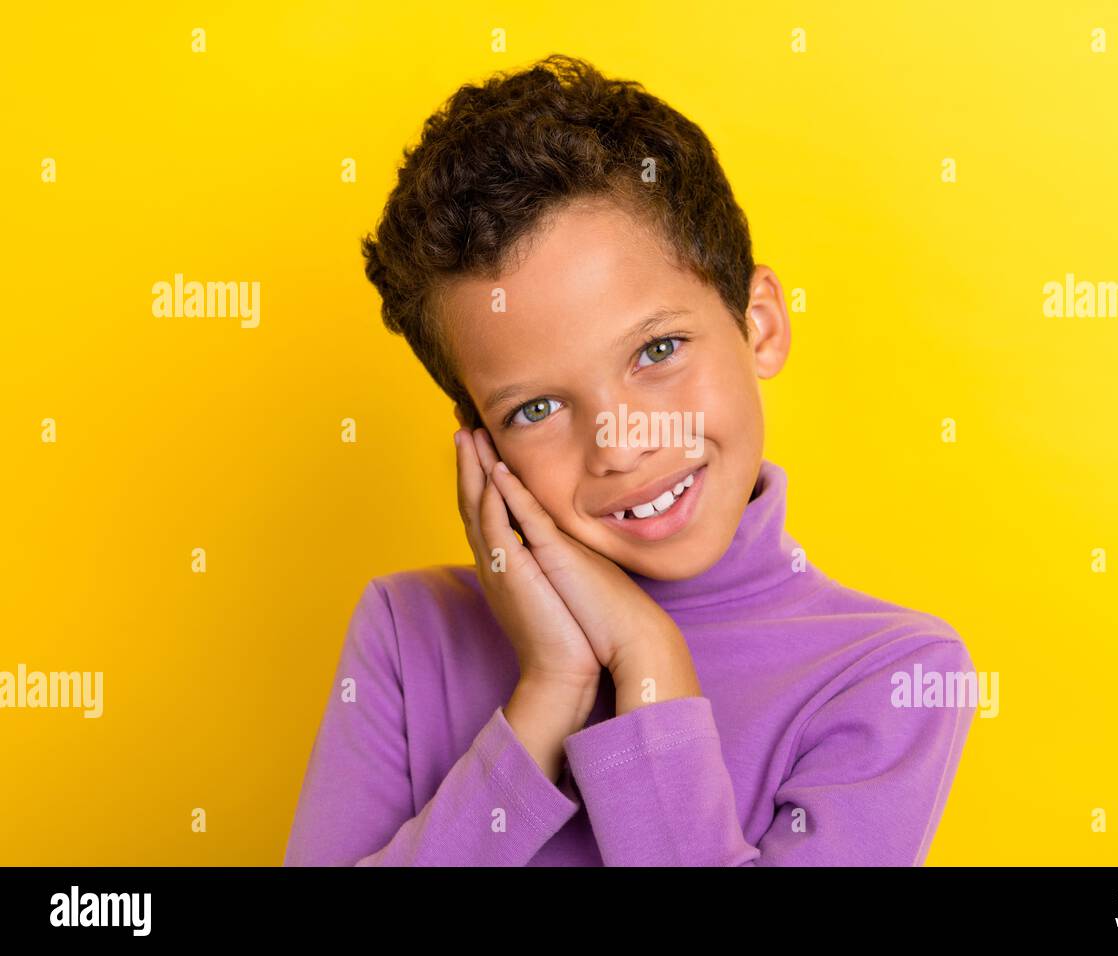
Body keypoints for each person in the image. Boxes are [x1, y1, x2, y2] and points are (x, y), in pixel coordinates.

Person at [283, 53, 977, 866]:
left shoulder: (892, 675)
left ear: (759, 324)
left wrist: (650, 669)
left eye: (657, 349)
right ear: (483, 448)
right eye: (535, 409)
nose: (619, 445)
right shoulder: (409, 635)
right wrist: (548, 698)